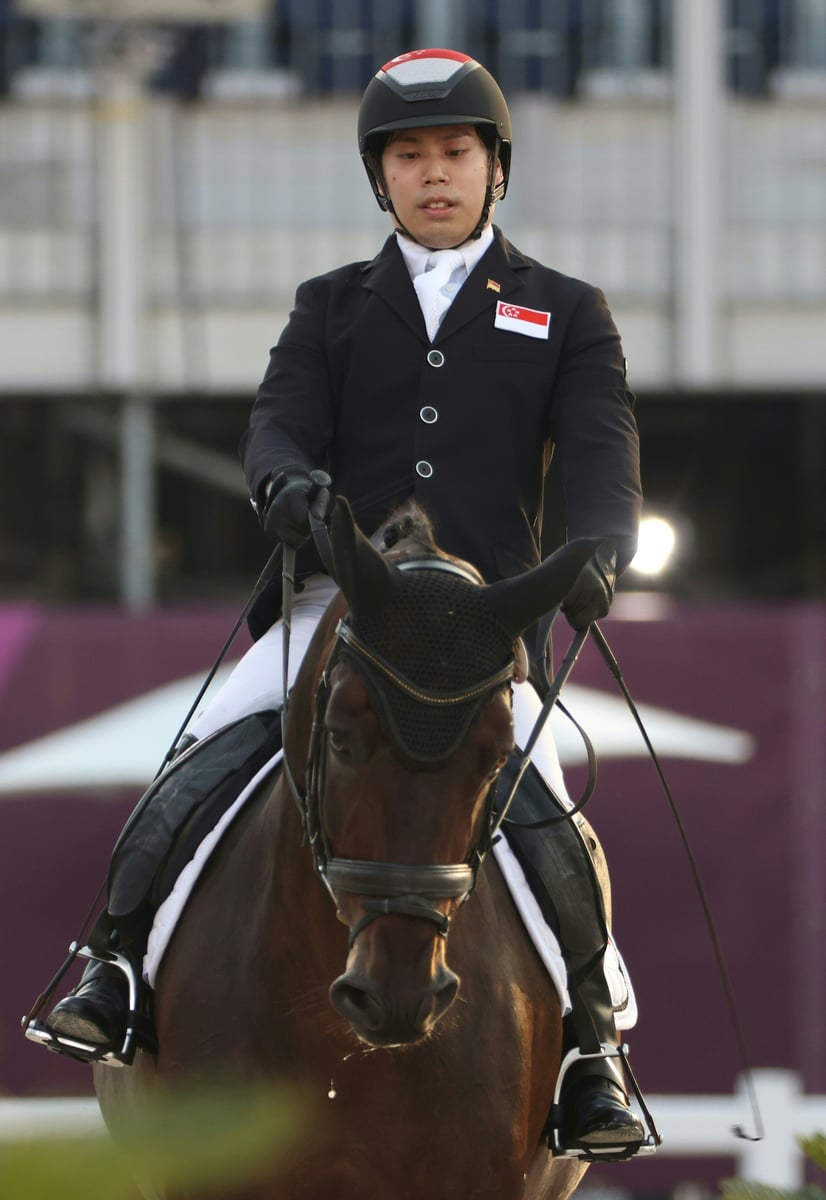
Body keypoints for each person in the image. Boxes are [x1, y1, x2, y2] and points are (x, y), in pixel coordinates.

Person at [43, 48, 645, 1159]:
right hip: (338, 605)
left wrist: (600, 548)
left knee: (549, 811)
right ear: (382, 178)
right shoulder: (330, 306)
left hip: (476, 627)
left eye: (453, 152)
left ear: (493, 168)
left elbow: (602, 455)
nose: (432, 174)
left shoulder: (565, 311)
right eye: (408, 156)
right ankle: (117, 967)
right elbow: (277, 421)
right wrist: (284, 484)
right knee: (208, 755)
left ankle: (591, 1052)